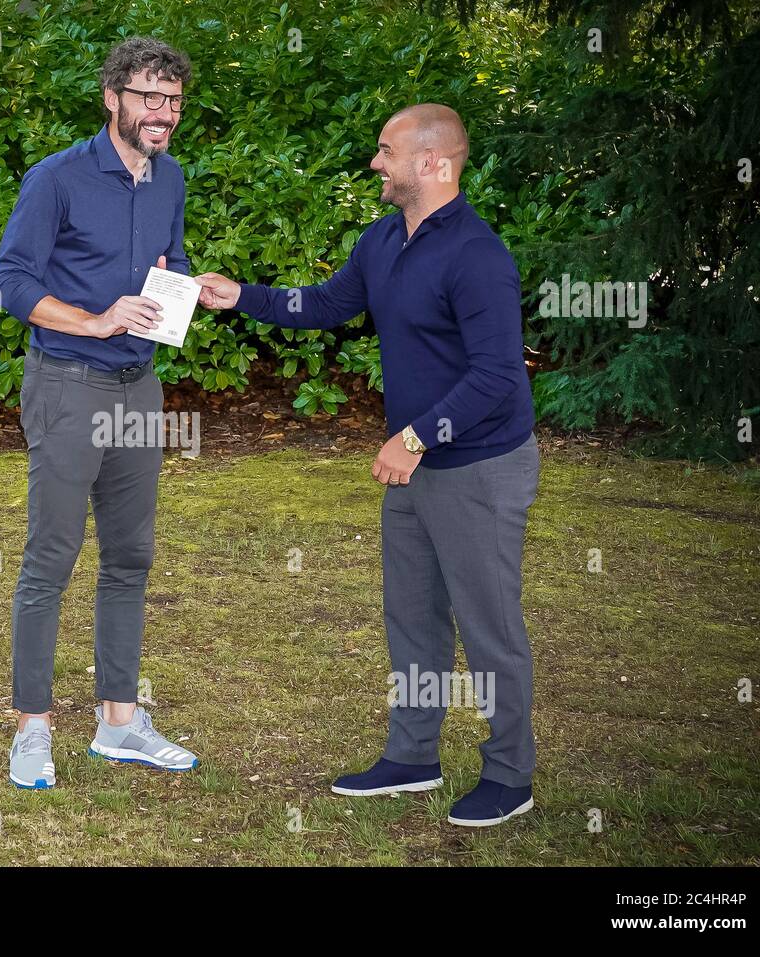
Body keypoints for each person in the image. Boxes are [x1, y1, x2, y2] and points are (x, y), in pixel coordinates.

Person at [196, 104, 540, 826]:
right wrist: (241, 297)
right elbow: (324, 303)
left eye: (386, 151)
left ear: (431, 163)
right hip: (415, 467)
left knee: (487, 625)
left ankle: (510, 773)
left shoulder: (478, 256)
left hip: (478, 464)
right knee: (412, 617)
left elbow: (498, 377)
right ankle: (413, 755)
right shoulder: (383, 239)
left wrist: (413, 436)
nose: (375, 163)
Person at [0, 37, 198, 790]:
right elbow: (9, 282)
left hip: (140, 386)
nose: (162, 112)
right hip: (69, 381)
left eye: (172, 99)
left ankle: (119, 723)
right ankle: (33, 729)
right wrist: (95, 318)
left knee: (131, 556)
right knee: (50, 557)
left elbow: (165, 263)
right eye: (148, 96)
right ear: (112, 97)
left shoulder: (170, 177)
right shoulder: (57, 179)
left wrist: (178, 292)